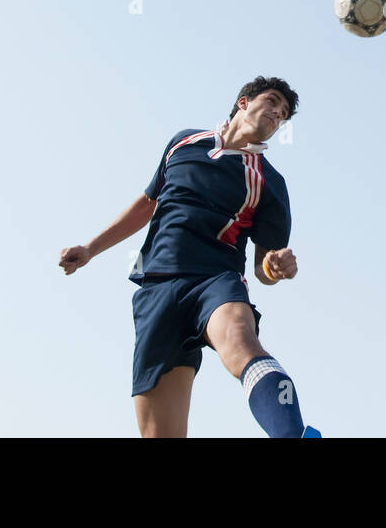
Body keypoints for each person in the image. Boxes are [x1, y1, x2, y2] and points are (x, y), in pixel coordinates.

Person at [58, 76, 318, 438]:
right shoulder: (183, 142)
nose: (277, 113)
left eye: (284, 113)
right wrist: (90, 249)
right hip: (156, 290)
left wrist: (275, 268)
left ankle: (292, 433)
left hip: (215, 281)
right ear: (244, 102)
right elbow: (147, 204)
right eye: (273, 102)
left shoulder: (269, 182)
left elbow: (264, 265)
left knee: (240, 341)